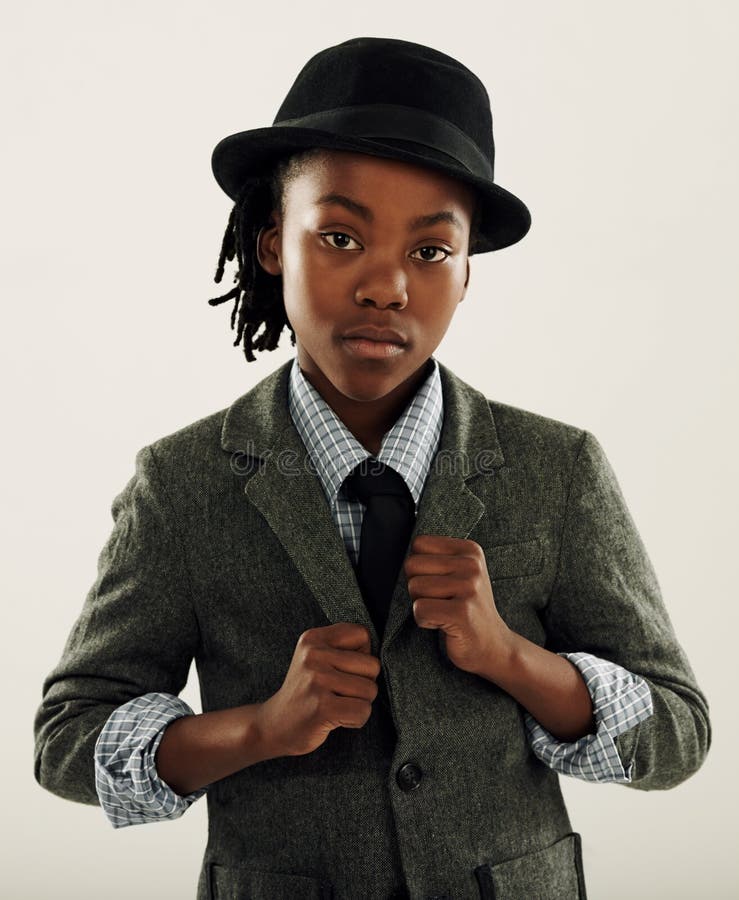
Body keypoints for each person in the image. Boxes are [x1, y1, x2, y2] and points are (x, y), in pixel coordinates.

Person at [33, 36, 710, 900]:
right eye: (341, 236)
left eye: (429, 252)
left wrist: (510, 656)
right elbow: (68, 740)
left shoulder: (558, 468)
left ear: (467, 273)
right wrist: (258, 730)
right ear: (274, 244)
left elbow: (677, 736)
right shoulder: (184, 480)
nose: (385, 286)